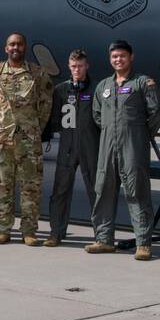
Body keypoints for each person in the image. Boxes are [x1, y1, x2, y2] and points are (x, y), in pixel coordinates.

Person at [85, 40, 160, 260]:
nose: (118, 60)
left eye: (122, 56)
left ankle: (143, 243)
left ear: (131, 57)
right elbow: (97, 115)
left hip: (133, 145)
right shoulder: (103, 87)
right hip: (108, 144)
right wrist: (111, 131)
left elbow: (157, 112)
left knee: (136, 191)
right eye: (114, 57)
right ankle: (103, 239)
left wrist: (141, 134)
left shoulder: (143, 83)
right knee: (103, 189)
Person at [0, 33, 54, 246]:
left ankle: (29, 231)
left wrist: (32, 128)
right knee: (1, 185)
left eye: (19, 44)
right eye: (12, 44)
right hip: (1, 140)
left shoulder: (38, 75)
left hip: (28, 141)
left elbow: (45, 106)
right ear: (6, 48)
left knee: (31, 186)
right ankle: (3, 229)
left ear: (25, 47)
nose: (16, 47)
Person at [45, 49, 99, 247]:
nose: (77, 69)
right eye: (74, 66)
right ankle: (56, 233)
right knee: (60, 189)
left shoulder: (96, 89)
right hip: (67, 145)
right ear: (69, 66)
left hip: (90, 145)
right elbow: (54, 119)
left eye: (80, 66)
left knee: (95, 189)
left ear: (87, 66)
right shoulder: (61, 90)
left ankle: (101, 235)